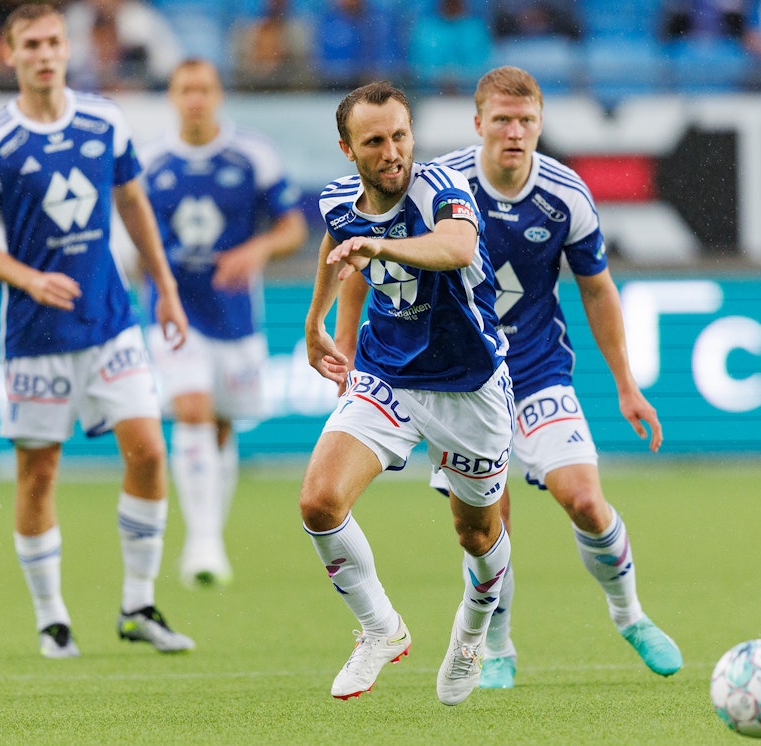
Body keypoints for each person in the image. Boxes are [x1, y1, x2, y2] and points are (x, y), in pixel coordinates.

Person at [337, 66, 682, 690]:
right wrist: (343, 347)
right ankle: (496, 645)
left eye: (526, 120)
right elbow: (365, 259)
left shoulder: (566, 195)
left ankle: (630, 614)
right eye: (502, 119)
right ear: (478, 124)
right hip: (458, 377)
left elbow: (597, 289)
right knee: (486, 525)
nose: (514, 132)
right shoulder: (439, 186)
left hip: (537, 369)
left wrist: (626, 384)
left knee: (585, 500)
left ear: (541, 124)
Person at [0, 3, 195, 659]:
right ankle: (51, 617)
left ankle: (138, 605)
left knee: (149, 451)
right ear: (10, 55)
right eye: (30, 44)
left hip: (110, 321)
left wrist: (166, 288)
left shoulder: (104, 120)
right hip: (36, 335)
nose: (44, 54)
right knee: (39, 473)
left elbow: (133, 203)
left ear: (68, 48)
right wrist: (29, 279)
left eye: (53, 41)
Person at [301, 81, 513, 706]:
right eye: (374, 141)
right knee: (319, 502)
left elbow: (458, 247)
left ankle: (471, 632)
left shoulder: (442, 189)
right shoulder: (338, 201)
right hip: (387, 373)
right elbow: (338, 246)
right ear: (348, 149)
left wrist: (382, 245)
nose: (392, 152)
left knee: (477, 535)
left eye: (400, 135)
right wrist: (318, 324)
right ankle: (380, 628)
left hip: (467, 385)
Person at [137, 58, 308, 588]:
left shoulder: (253, 155)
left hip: (234, 315)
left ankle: (209, 533)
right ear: (172, 96)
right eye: (185, 89)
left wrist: (257, 250)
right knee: (192, 408)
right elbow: (134, 236)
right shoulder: (149, 161)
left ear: (218, 95)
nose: (195, 99)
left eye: (204, 89)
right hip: (174, 312)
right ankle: (203, 543)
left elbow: (293, 228)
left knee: (221, 422)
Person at [229, 0, 315, 91]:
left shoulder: (295, 82)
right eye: (261, 46)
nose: (265, 51)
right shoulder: (243, 83)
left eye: (269, 47)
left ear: (279, 49)